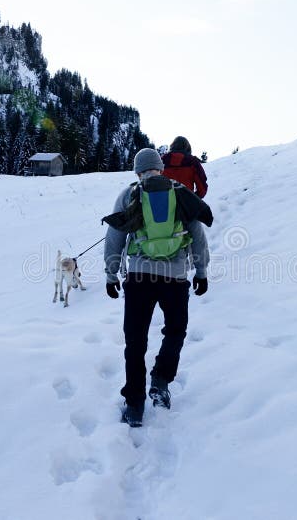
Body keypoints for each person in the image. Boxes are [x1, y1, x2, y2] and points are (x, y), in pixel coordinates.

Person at [103, 148, 213, 427]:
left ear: (138, 171)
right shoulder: (179, 191)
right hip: (175, 277)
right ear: (160, 169)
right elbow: (197, 235)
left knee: (135, 340)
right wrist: (201, 271)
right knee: (175, 331)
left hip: (139, 277)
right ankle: (161, 381)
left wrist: (111, 274)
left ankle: (134, 404)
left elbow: (115, 235)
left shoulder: (129, 194)